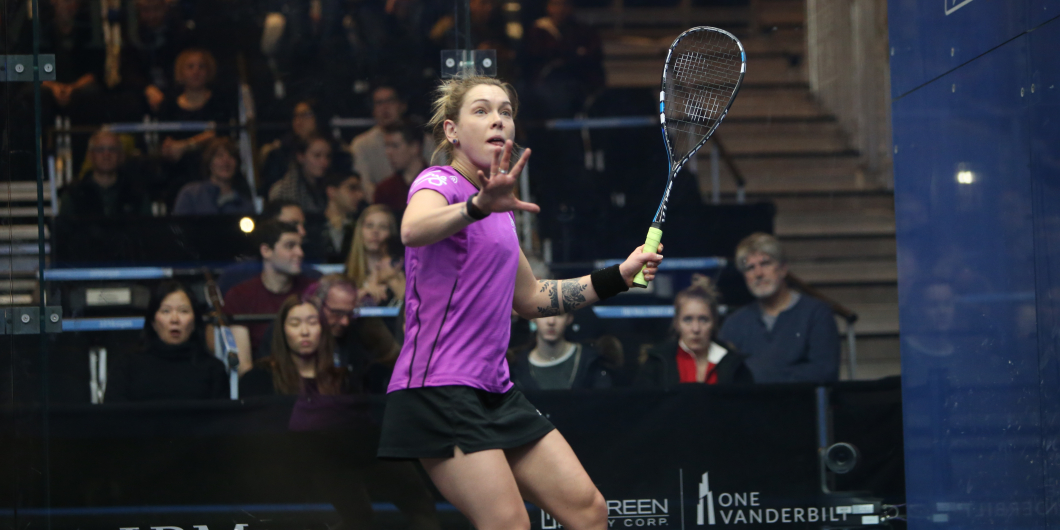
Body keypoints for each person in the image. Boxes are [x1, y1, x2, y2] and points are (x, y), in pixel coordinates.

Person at [377, 75, 663, 530]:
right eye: (482, 110)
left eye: (506, 111)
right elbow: (412, 230)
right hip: (438, 390)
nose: (498, 120)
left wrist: (618, 278)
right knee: (510, 525)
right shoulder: (438, 182)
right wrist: (475, 206)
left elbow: (532, 299)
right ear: (451, 130)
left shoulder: (501, 209)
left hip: (495, 390)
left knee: (588, 511)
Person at [718, 233, 840, 383]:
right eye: (750, 267)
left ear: (783, 268)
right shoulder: (735, 323)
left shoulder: (817, 314)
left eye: (765, 264)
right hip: (751, 405)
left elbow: (825, 372)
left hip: (800, 404)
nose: (758, 273)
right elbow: (722, 375)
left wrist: (758, 375)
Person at [107, 281, 229, 402]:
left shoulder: (213, 369)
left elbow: (222, 420)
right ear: (153, 321)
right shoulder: (127, 367)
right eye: (166, 311)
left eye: (183, 311)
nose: (174, 319)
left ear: (194, 322)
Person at [635, 276, 753, 387]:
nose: (695, 329)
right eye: (688, 320)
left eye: (703, 319)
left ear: (714, 322)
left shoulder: (734, 364)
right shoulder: (656, 363)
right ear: (676, 323)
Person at [223, 220, 317, 352]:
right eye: (290, 246)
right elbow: (243, 365)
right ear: (266, 251)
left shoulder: (312, 290)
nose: (300, 253)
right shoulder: (240, 295)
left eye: (300, 246)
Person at [522, 0, 605, 117]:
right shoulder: (538, 30)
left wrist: (569, 56)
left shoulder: (582, 29)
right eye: (555, 4)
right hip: (548, 84)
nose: (560, 9)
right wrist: (573, 53)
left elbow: (594, 54)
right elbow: (539, 57)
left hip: (580, 81)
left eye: (565, 4)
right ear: (548, 7)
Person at [349, 86, 434, 195]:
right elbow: (364, 185)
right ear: (373, 110)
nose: (385, 107)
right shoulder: (361, 144)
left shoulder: (427, 140)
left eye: (390, 101)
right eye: (379, 103)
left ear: (402, 105)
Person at [259, 99, 353, 196]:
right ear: (301, 156)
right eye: (296, 116)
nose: (299, 121)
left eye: (306, 115)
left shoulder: (338, 153)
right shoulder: (279, 154)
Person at [58, 129, 150, 220]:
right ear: (90, 155)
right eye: (100, 149)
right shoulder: (73, 196)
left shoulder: (137, 195)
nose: (106, 155)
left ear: (121, 155)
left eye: (112, 149)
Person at [508, 313, 615, 390]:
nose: (551, 321)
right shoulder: (514, 367)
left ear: (569, 318)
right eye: (544, 313)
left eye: (559, 314)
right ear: (533, 317)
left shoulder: (591, 362)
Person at [172, 137, 255, 215]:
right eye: (219, 155)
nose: (226, 161)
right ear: (209, 162)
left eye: (231, 156)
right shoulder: (191, 194)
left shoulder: (244, 204)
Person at [345, 205, 404, 306]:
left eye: (383, 227)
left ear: (391, 233)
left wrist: (394, 283)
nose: (375, 232)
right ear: (360, 231)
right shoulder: (346, 275)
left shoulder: (403, 275)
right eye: (369, 226)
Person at [268, 133, 332, 215]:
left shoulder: (330, 188)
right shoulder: (282, 190)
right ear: (301, 157)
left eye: (327, 156)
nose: (324, 162)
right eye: (317, 155)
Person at [375, 120, 427, 219]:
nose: (388, 152)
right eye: (387, 146)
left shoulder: (438, 184)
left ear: (415, 147)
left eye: (395, 146)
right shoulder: (385, 190)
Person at [320, 173, 367, 263]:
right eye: (352, 188)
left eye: (360, 189)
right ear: (332, 191)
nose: (360, 195)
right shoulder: (310, 225)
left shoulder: (359, 227)